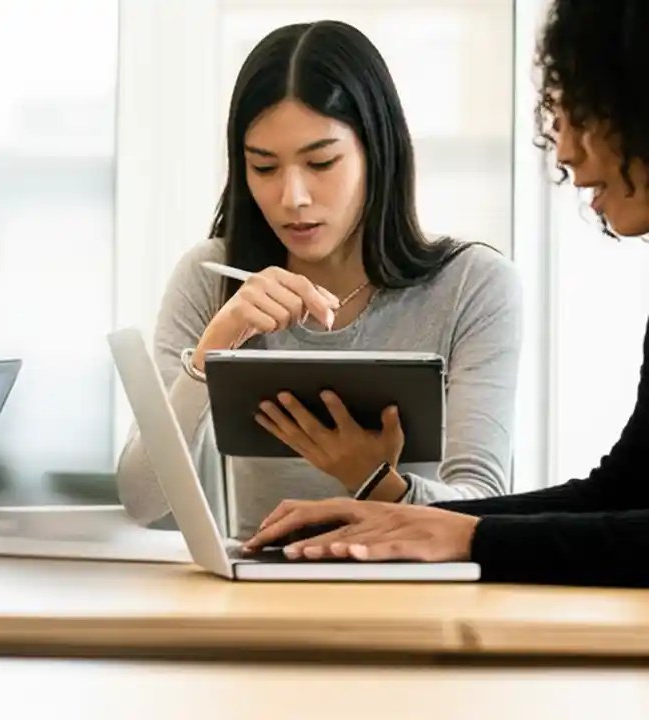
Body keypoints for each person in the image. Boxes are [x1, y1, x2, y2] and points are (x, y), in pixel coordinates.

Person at [244, 0, 649, 588]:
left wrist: (463, 532)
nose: (563, 151)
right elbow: (623, 490)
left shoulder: (473, 283)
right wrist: (406, 518)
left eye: (587, 113)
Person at [115, 20, 523, 538]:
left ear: (378, 152)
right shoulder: (209, 278)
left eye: (322, 162)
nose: (293, 198)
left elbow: (486, 507)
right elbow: (142, 498)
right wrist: (212, 352)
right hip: (257, 604)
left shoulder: (474, 286)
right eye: (264, 168)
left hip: (415, 604)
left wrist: (373, 480)